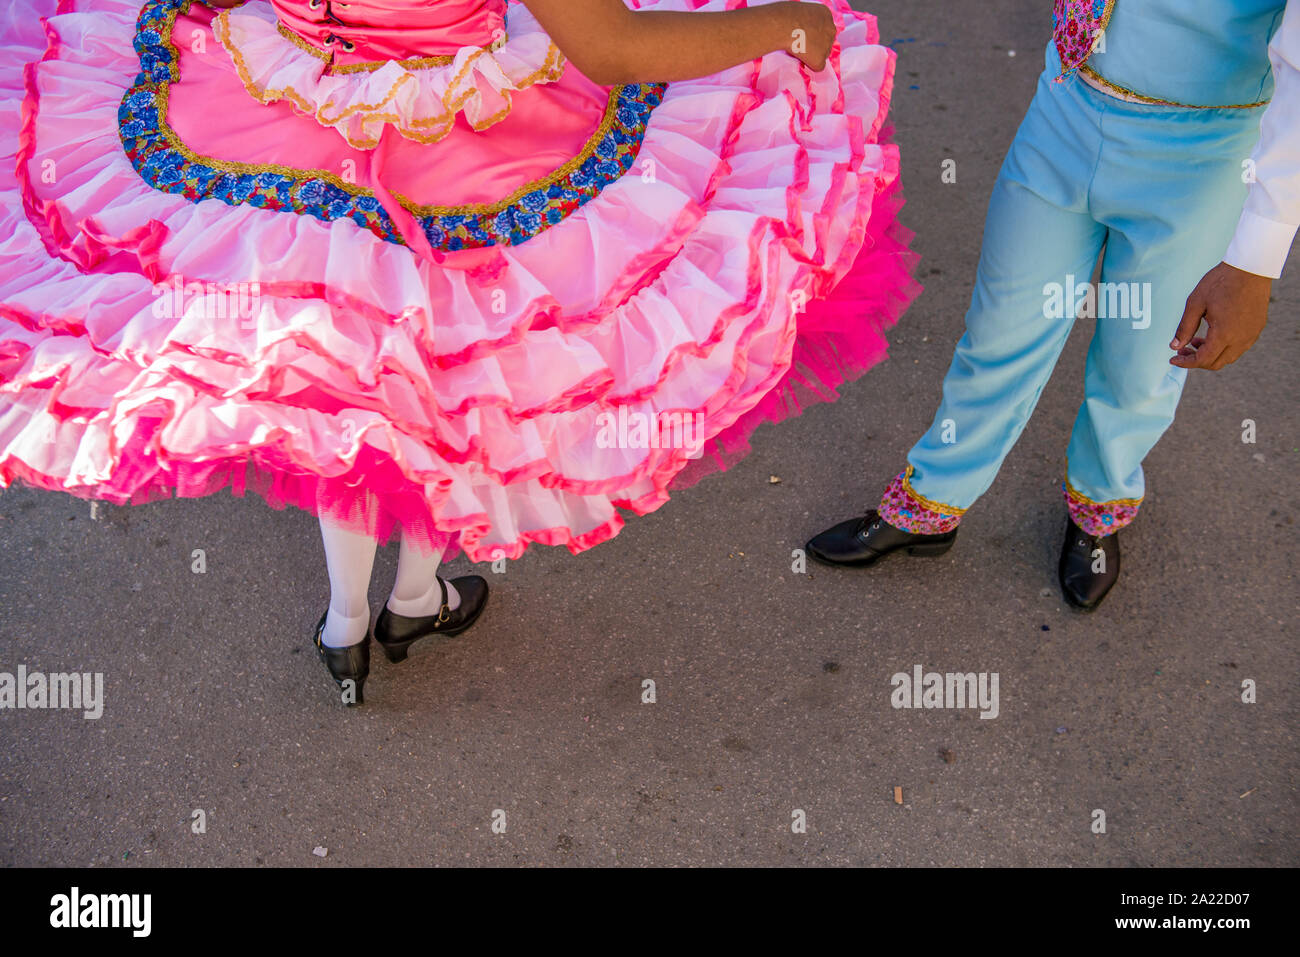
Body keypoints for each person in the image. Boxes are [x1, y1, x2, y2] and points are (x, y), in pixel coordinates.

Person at [0, 0, 919, 703]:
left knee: (344, 381)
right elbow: (616, 50)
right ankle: (411, 600)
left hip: (281, 125)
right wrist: (790, 27)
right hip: (469, 141)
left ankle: (349, 621)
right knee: (453, 373)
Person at [806, 0, 1298, 611]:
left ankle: (1099, 506)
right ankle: (931, 502)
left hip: (1204, 156)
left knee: (1142, 363)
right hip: (1066, 107)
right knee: (999, 330)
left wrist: (1254, 262)